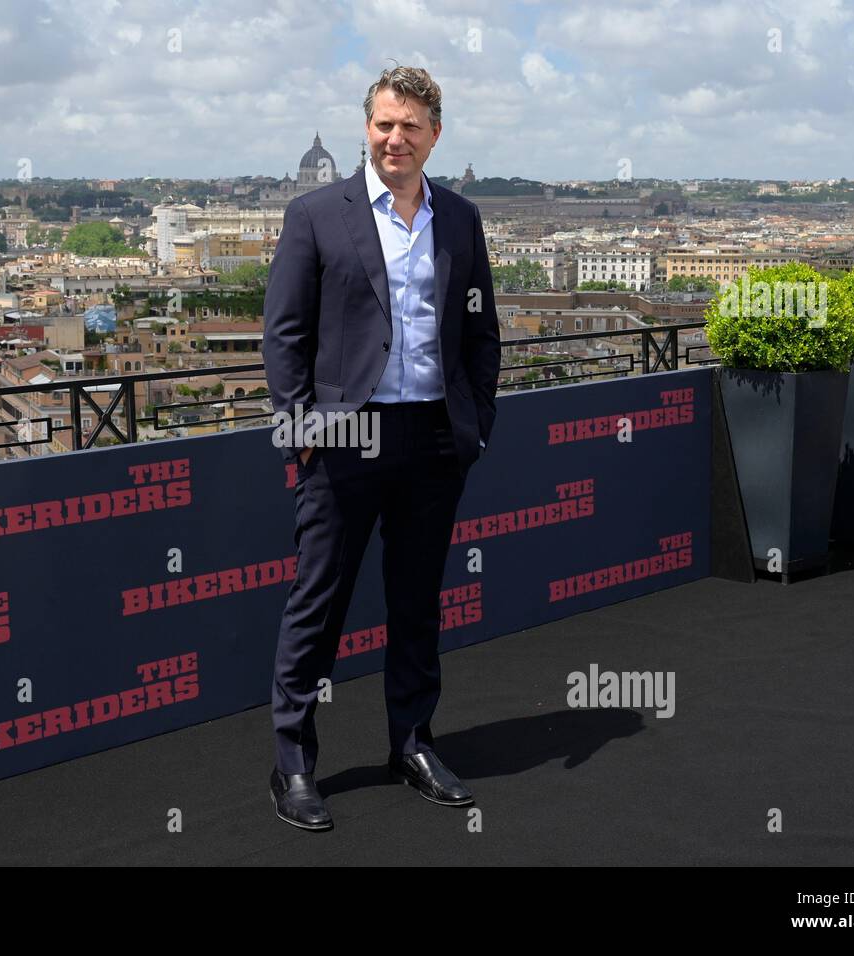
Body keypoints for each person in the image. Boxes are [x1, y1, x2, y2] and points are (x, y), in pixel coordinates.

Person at [262, 65, 501, 831]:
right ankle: (293, 762)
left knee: (417, 603)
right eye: (384, 124)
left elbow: (481, 333)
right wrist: (301, 439)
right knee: (318, 604)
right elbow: (284, 336)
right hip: (343, 440)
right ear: (367, 127)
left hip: (433, 434)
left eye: (411, 126)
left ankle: (413, 742)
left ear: (436, 135)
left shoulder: (460, 218)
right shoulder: (314, 215)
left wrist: (475, 423)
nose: (395, 138)